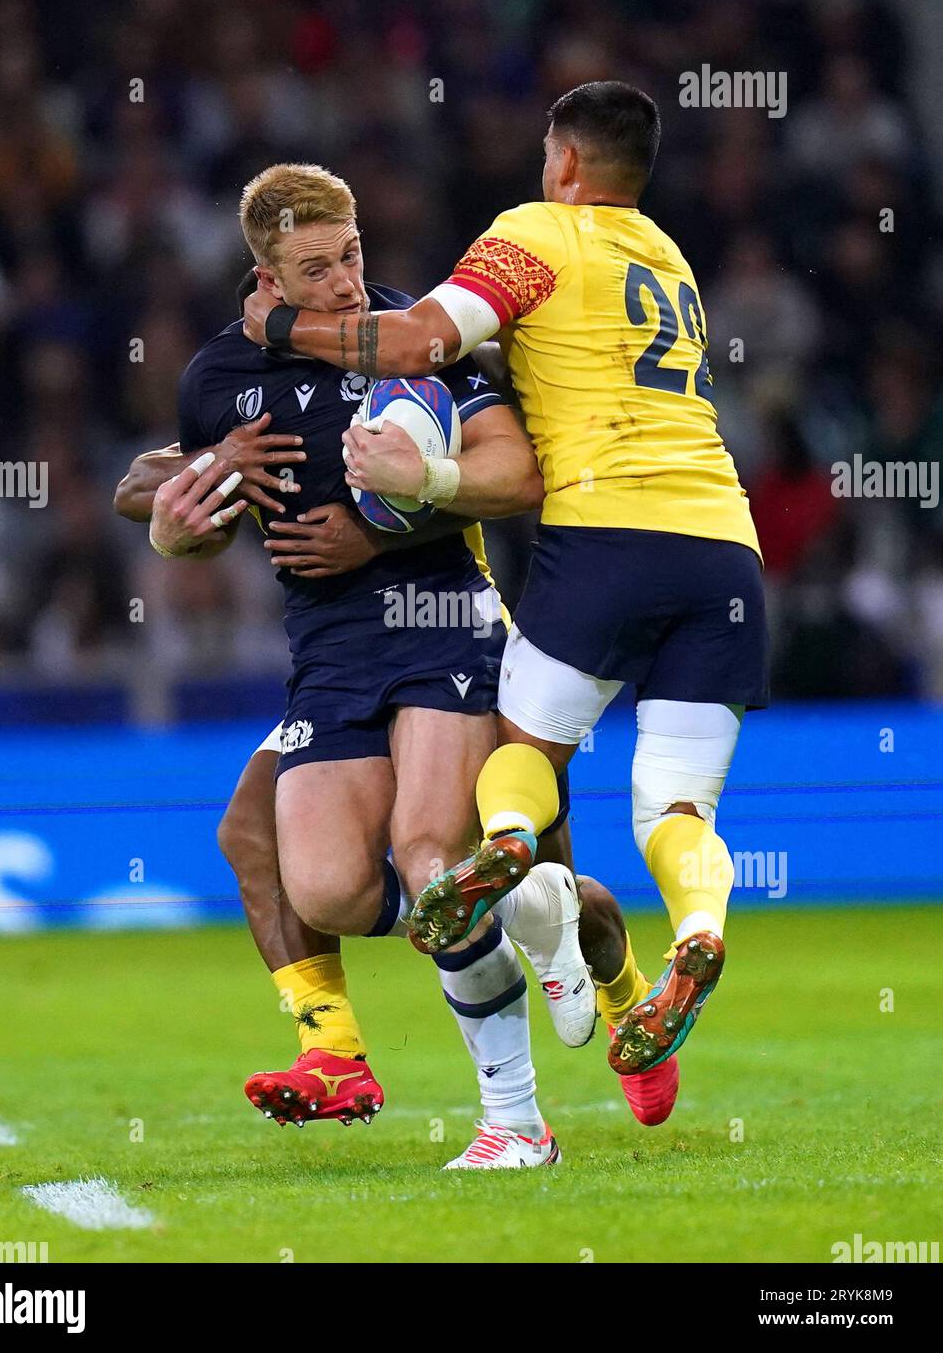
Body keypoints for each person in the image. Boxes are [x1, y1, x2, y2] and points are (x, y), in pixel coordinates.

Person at [116, 162, 676, 1168]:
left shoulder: (416, 343)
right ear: (265, 276)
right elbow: (159, 483)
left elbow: (518, 473)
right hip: (327, 652)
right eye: (315, 268)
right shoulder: (220, 380)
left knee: (432, 859)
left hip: (444, 623)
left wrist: (381, 535)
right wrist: (188, 504)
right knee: (329, 887)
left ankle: (522, 1113)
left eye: (353, 256)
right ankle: (569, 936)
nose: (342, 284)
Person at [240, 85, 769, 1080]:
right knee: (676, 809)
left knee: (518, 754)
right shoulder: (668, 258)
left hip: (603, 533)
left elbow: (410, 343)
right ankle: (697, 931)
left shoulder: (535, 232)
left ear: (565, 163)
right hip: (722, 545)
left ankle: (516, 851)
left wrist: (277, 331)